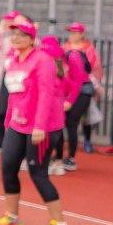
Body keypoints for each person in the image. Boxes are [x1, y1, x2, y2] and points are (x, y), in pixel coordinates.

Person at [0, 18, 72, 225]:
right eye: (13, 34)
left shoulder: (42, 60)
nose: (15, 38)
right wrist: (7, 123)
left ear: (32, 39)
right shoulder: (13, 60)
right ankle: (12, 216)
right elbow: (14, 96)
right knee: (8, 166)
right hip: (17, 123)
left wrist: (40, 126)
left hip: (42, 126)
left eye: (21, 35)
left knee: (38, 173)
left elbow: (46, 94)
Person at [43, 36, 86, 175]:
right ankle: (57, 159)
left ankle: (68, 159)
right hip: (59, 98)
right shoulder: (47, 63)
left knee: (70, 125)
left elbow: (76, 83)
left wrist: (69, 101)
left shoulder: (71, 57)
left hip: (78, 94)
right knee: (56, 129)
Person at [63, 22, 101, 154]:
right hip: (69, 87)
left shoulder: (89, 48)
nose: (72, 35)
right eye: (71, 32)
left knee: (86, 116)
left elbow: (92, 68)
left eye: (75, 32)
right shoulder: (65, 47)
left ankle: (87, 140)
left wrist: (96, 85)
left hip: (84, 86)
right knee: (68, 119)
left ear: (82, 34)